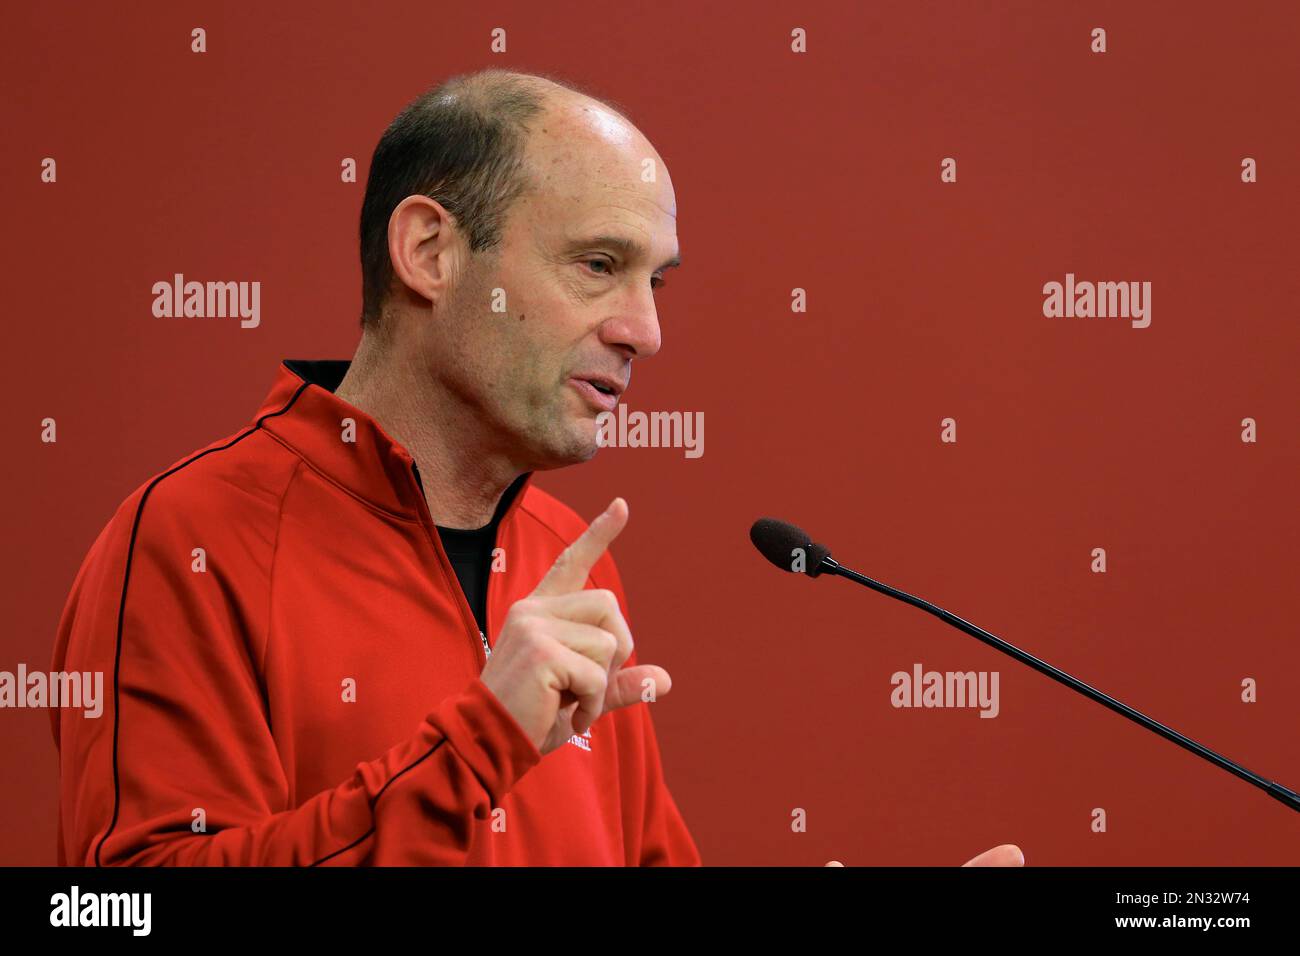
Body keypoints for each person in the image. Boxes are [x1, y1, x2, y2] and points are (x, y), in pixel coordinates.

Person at [50, 67, 1021, 867]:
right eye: (598, 264)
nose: (645, 327)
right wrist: (477, 745)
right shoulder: (193, 539)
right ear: (429, 250)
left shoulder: (572, 558)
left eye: (656, 280)